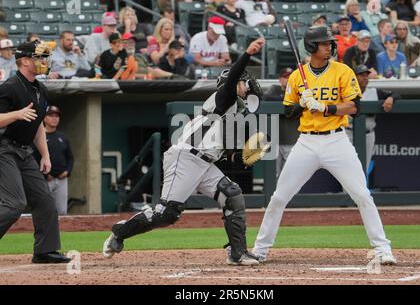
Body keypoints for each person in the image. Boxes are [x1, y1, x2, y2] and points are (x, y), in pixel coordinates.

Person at [103, 38, 266, 266]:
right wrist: (247, 53)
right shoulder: (224, 96)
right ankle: (120, 231)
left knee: (233, 195)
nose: (248, 86)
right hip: (186, 157)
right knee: (167, 213)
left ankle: (237, 253)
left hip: (204, 163)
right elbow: (233, 78)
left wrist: (244, 157)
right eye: (244, 82)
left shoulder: (232, 117)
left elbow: (228, 155)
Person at [251, 26, 396, 266]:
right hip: (306, 142)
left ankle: (382, 249)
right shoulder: (298, 76)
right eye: (323, 43)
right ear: (311, 47)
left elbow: (354, 107)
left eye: (330, 43)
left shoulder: (342, 70)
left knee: (362, 194)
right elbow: (288, 110)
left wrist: (324, 107)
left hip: (337, 141)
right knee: (279, 197)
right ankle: (260, 249)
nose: (329, 46)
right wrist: (305, 105)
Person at [0, 40, 70, 264]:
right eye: (41, 57)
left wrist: (46, 154)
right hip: (4, 149)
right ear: (26, 61)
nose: (45, 62)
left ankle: (44, 251)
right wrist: (16, 114)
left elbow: (38, 124)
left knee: (44, 200)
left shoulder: (41, 89)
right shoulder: (9, 87)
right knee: (14, 204)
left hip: (24, 151)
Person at [345, 64, 400, 170]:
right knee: (348, 167)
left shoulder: (374, 91)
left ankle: (360, 187)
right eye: (361, 75)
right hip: (349, 133)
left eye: (366, 74)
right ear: (354, 77)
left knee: (363, 167)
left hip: (368, 133)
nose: (365, 77)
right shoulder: (345, 91)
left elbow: (396, 94)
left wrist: (391, 99)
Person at [34, 106, 74, 215]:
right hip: (45, 180)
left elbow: (70, 158)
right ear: (44, 118)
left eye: (56, 116)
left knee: (61, 211)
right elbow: (34, 159)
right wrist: (45, 175)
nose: (54, 118)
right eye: (51, 115)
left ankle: (61, 232)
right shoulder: (38, 136)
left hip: (61, 179)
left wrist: (67, 171)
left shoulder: (63, 137)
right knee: (44, 209)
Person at [264, 67, 299, 177]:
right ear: (280, 79)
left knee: (290, 175)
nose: (288, 80)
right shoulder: (274, 89)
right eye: (286, 77)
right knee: (273, 174)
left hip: (292, 140)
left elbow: (298, 101)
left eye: (291, 77)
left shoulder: (299, 92)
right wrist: (286, 99)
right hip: (274, 142)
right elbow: (266, 98)